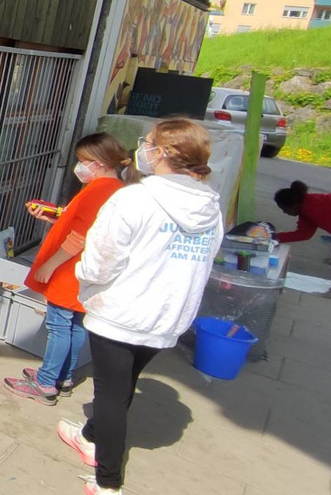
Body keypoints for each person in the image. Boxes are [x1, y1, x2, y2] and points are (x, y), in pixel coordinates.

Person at [58, 119, 223, 495]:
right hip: (168, 315)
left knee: (111, 393)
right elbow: (206, 258)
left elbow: (101, 261)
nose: (142, 149)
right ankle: (89, 433)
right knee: (123, 381)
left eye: (148, 143)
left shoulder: (134, 198)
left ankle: (107, 480)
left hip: (121, 312)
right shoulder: (209, 207)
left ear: (162, 154)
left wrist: (84, 277)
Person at [2, 133, 129, 405]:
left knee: (58, 325)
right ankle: (64, 376)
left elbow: (80, 236)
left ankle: (46, 382)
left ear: (100, 162)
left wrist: (50, 264)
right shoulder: (117, 189)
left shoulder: (99, 190)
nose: (80, 167)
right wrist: (55, 217)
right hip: (87, 271)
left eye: (84, 161)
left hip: (71, 271)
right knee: (74, 324)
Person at [273, 180, 331, 288]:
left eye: (284, 209)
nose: (285, 212)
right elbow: (304, 234)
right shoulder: (305, 210)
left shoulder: (316, 207)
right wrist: (273, 237)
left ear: (292, 205)